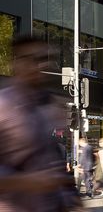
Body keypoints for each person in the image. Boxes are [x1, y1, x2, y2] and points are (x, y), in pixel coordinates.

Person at [0, 34, 77, 212]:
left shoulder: (48, 105)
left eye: (44, 59)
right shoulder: (3, 106)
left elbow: (52, 163)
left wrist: (69, 197)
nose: (40, 66)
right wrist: (27, 182)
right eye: (31, 59)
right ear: (15, 63)